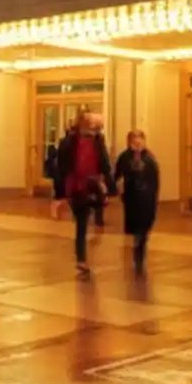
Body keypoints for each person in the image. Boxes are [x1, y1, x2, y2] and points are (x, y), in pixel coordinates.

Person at [52, 111, 114, 277]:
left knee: (90, 218)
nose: (96, 127)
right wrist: (60, 195)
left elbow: (104, 163)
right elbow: (61, 168)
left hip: (93, 185)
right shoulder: (69, 142)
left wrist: (109, 184)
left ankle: (87, 251)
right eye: (94, 123)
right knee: (82, 222)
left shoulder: (98, 141)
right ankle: (82, 259)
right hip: (76, 187)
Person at [114, 129, 160, 276]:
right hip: (132, 198)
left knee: (145, 227)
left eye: (140, 140)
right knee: (137, 228)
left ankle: (140, 248)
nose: (138, 144)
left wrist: (153, 195)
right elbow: (117, 176)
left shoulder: (149, 158)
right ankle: (138, 252)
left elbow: (155, 179)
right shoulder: (125, 157)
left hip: (146, 198)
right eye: (135, 141)